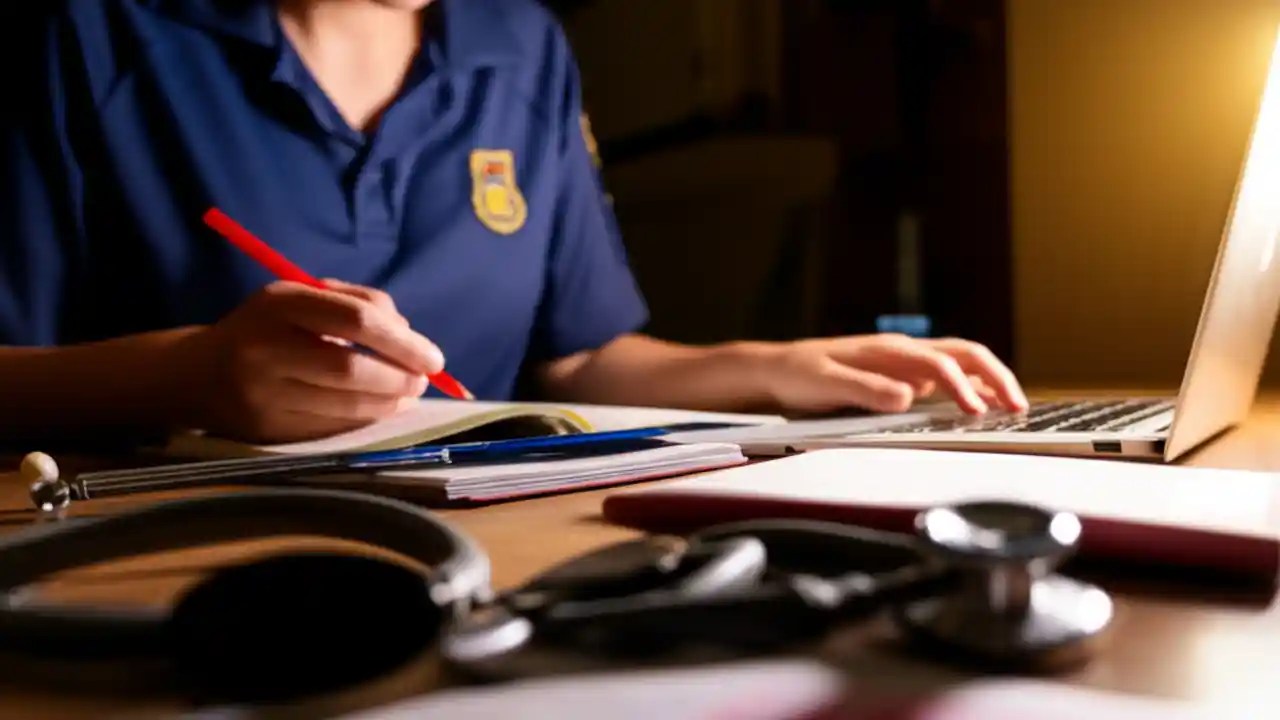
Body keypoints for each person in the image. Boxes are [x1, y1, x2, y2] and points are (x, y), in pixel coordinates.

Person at [0, 0, 1027, 445]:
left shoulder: (519, 41)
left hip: (494, 556)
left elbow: (581, 365)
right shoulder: (93, 38)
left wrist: (779, 370)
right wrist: (190, 375)